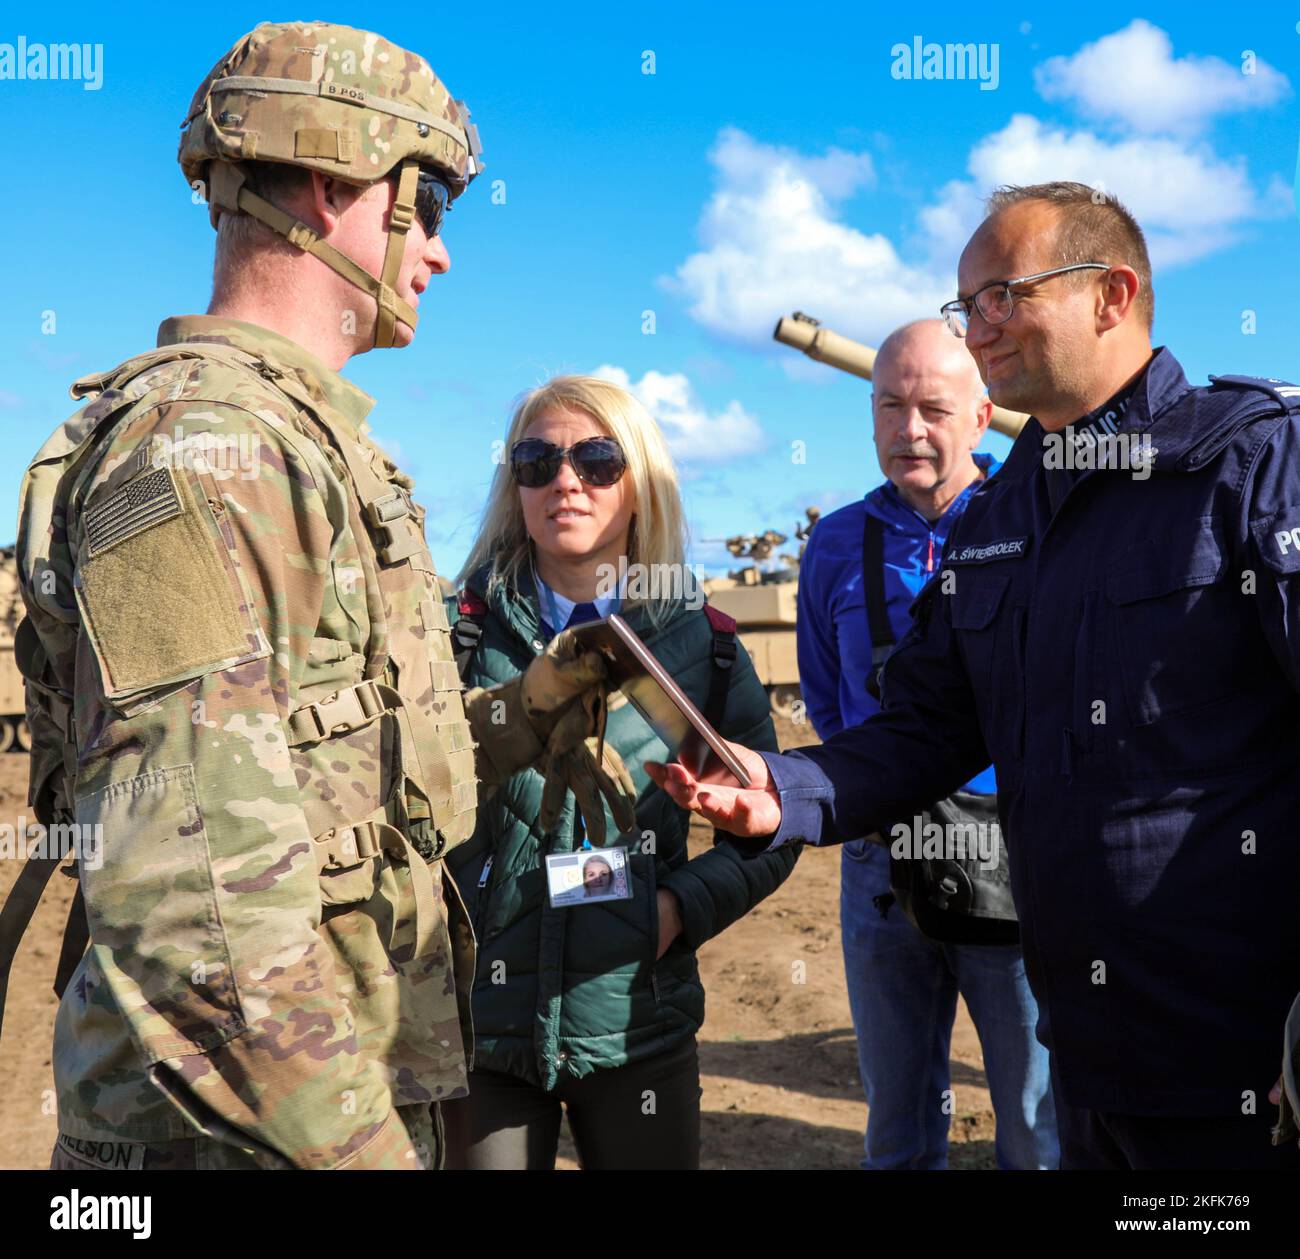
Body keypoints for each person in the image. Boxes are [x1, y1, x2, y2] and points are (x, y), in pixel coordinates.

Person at [7, 21, 620, 1172]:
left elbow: (334, 777)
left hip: (328, 1102)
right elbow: (194, 912)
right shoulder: (200, 451)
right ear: (336, 179)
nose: (440, 253)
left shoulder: (305, 449)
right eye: (427, 202)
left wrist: (528, 706)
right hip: (232, 1139)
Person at [649, 181, 1300, 1170]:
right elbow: (923, 728)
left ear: (1110, 294)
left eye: (1003, 294)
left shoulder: (1251, 466)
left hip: (1246, 1061)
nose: (977, 325)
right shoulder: (1000, 524)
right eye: (966, 304)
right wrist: (779, 784)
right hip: (1086, 1054)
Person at [441, 375, 799, 1170]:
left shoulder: (703, 646)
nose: (564, 479)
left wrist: (673, 908)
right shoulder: (450, 636)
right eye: (536, 460)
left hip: (639, 1021)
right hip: (477, 1028)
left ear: (641, 485)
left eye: (597, 459)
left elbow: (772, 829)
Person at [797, 318, 1057, 1169]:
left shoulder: (1037, 522)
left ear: (983, 415)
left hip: (1012, 860)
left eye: (934, 408)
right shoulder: (834, 543)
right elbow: (827, 695)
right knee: (898, 1120)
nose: (911, 429)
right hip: (879, 863)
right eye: (891, 407)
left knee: (1033, 1115)